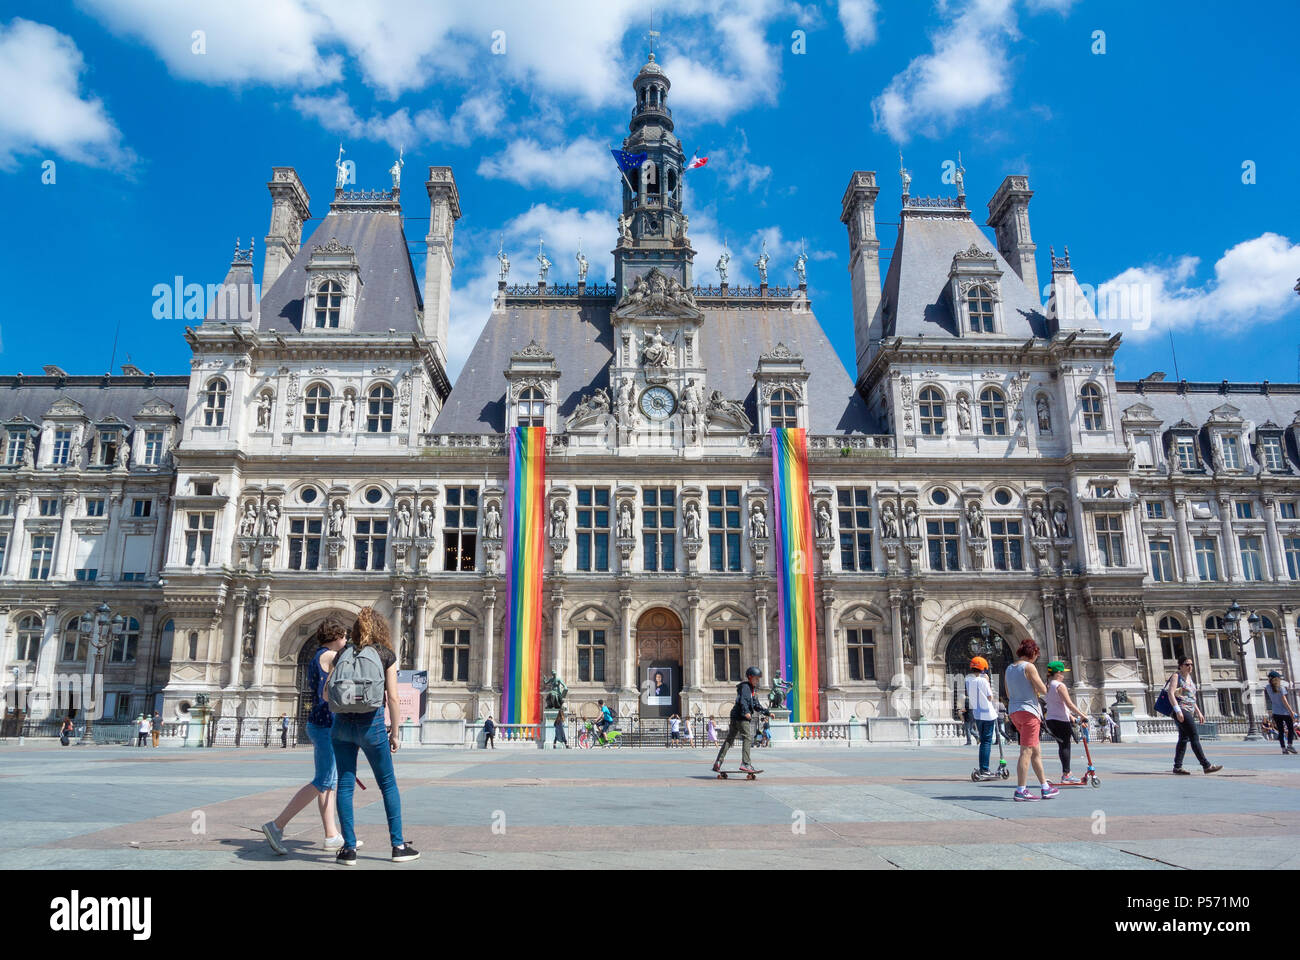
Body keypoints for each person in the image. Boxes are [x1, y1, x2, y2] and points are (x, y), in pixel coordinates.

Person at [330, 608, 419, 865]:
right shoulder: (385, 655)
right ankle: (398, 846)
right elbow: (392, 697)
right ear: (381, 628)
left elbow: (328, 694)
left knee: (345, 785)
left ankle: (348, 849)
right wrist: (396, 733)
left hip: (342, 726)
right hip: (372, 725)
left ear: (355, 630)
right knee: (387, 784)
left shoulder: (342, 654)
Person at [263, 616, 353, 855]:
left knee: (328, 782)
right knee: (323, 781)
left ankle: (331, 835)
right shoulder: (333, 658)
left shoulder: (316, 656)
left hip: (319, 723)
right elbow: (328, 694)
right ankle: (276, 825)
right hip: (325, 725)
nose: (346, 640)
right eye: (344, 636)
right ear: (335, 637)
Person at [1004, 638, 1058, 801]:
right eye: (1037, 654)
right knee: (1026, 751)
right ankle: (1021, 789)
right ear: (1033, 653)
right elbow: (1043, 689)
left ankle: (1045, 786)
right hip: (1029, 712)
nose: (1036, 657)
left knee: (1036, 751)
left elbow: (1008, 694)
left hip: (1014, 711)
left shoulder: (1009, 668)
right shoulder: (1029, 667)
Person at [1163, 657, 1222, 775]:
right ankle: (1206, 765)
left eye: (1191, 664)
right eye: (1187, 664)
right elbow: (1171, 693)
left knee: (1183, 738)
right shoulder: (1176, 676)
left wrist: (1198, 712)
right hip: (1181, 709)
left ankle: (1177, 767)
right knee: (1194, 736)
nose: (1190, 666)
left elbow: (1191, 698)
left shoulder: (1190, 678)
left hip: (1189, 709)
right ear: (1180, 666)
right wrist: (1177, 710)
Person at [712, 666, 767, 774]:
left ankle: (718, 762)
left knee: (729, 739)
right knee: (747, 737)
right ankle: (746, 763)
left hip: (736, 716)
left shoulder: (751, 690)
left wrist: (767, 712)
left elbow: (756, 705)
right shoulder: (746, 687)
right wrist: (746, 712)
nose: (758, 681)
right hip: (741, 717)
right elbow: (743, 701)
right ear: (750, 677)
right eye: (756, 678)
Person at [1044, 661, 1090, 783]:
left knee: (1062, 746)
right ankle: (1066, 774)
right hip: (1060, 720)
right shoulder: (1059, 685)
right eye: (1062, 673)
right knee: (1065, 746)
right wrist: (1083, 715)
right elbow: (1068, 703)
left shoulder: (1047, 685)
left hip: (1051, 719)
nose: (1064, 675)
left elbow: (1057, 705)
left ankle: (1066, 772)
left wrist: (1073, 718)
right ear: (1058, 673)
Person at [965, 657, 998, 777]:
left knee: (983, 741)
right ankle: (984, 769)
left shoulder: (967, 680)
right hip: (988, 714)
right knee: (986, 742)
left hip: (978, 714)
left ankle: (983, 767)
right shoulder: (983, 681)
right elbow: (990, 697)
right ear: (983, 668)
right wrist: (988, 681)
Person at [1264, 671, 1296, 755]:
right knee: (1290, 729)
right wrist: (1291, 711)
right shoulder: (1281, 688)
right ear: (1277, 679)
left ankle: (1283, 749)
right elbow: (1284, 701)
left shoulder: (1267, 687)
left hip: (1275, 712)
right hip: (1285, 712)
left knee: (1281, 731)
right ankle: (1289, 745)